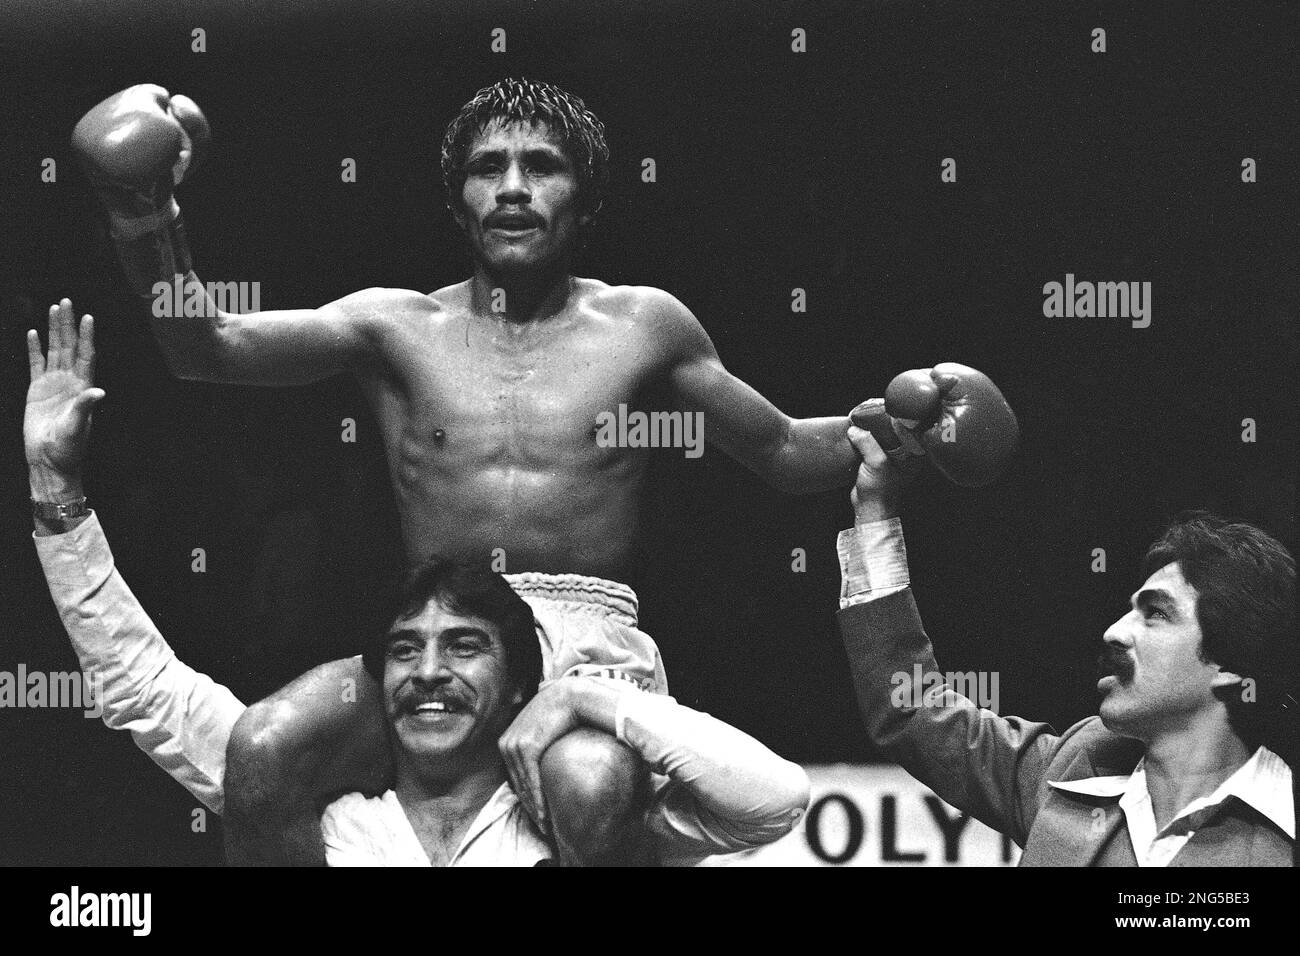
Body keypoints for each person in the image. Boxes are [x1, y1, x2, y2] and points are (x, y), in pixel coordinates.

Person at [71, 78, 1013, 863]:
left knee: (589, 785)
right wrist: (143, 216)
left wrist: (908, 435)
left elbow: (781, 452)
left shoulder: (646, 326)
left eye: (541, 167)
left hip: (588, 635)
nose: (513, 188)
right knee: (265, 750)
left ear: (585, 198)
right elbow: (206, 345)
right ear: (457, 199)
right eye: (489, 169)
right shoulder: (392, 325)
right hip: (447, 623)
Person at [25, 299, 810, 866]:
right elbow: (139, 685)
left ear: (517, 689)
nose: (428, 674)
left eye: (463, 647)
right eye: (404, 651)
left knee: (594, 777)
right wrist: (52, 484)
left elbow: (774, 797)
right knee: (257, 747)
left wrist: (583, 696)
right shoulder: (331, 826)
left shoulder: (583, 814)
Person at [836, 400, 1297, 865]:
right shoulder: (1073, 767)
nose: (1114, 633)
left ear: (1229, 665)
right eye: (1128, 610)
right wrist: (875, 508)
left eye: (1156, 614)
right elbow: (911, 706)